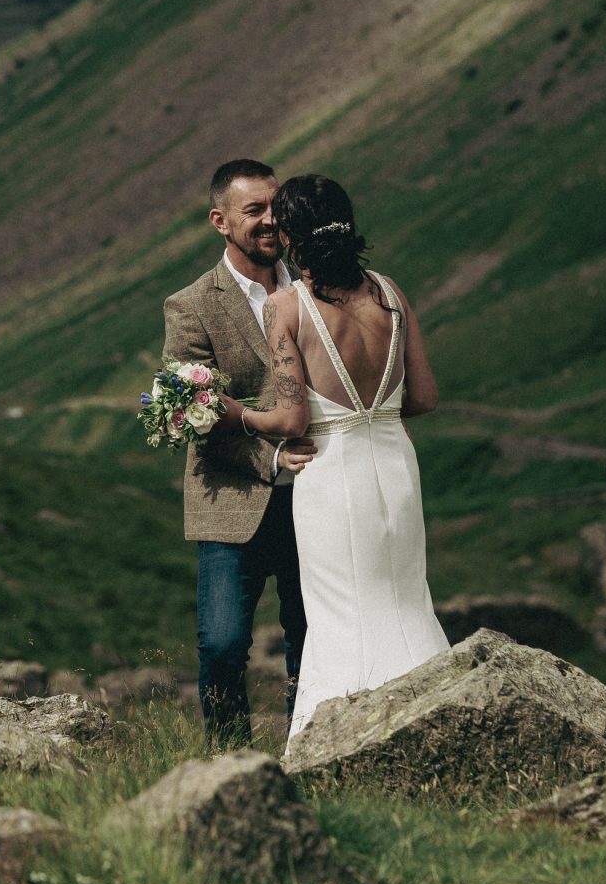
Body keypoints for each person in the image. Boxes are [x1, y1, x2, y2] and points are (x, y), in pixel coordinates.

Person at [229, 173, 447, 734]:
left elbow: (292, 418)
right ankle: (436, 718)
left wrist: (235, 412)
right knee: (406, 601)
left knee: (339, 616)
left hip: (333, 476)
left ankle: (337, 742)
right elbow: (423, 396)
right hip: (395, 467)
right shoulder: (390, 293)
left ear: (294, 236)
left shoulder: (287, 306)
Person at [162, 158, 313, 744]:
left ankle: (310, 752)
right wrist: (272, 453)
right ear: (220, 221)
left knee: (313, 636)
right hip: (231, 502)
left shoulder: (312, 287)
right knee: (222, 645)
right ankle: (232, 763)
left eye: (276, 207)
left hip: (313, 496)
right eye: (255, 211)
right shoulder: (192, 305)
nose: (271, 220)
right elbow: (195, 412)